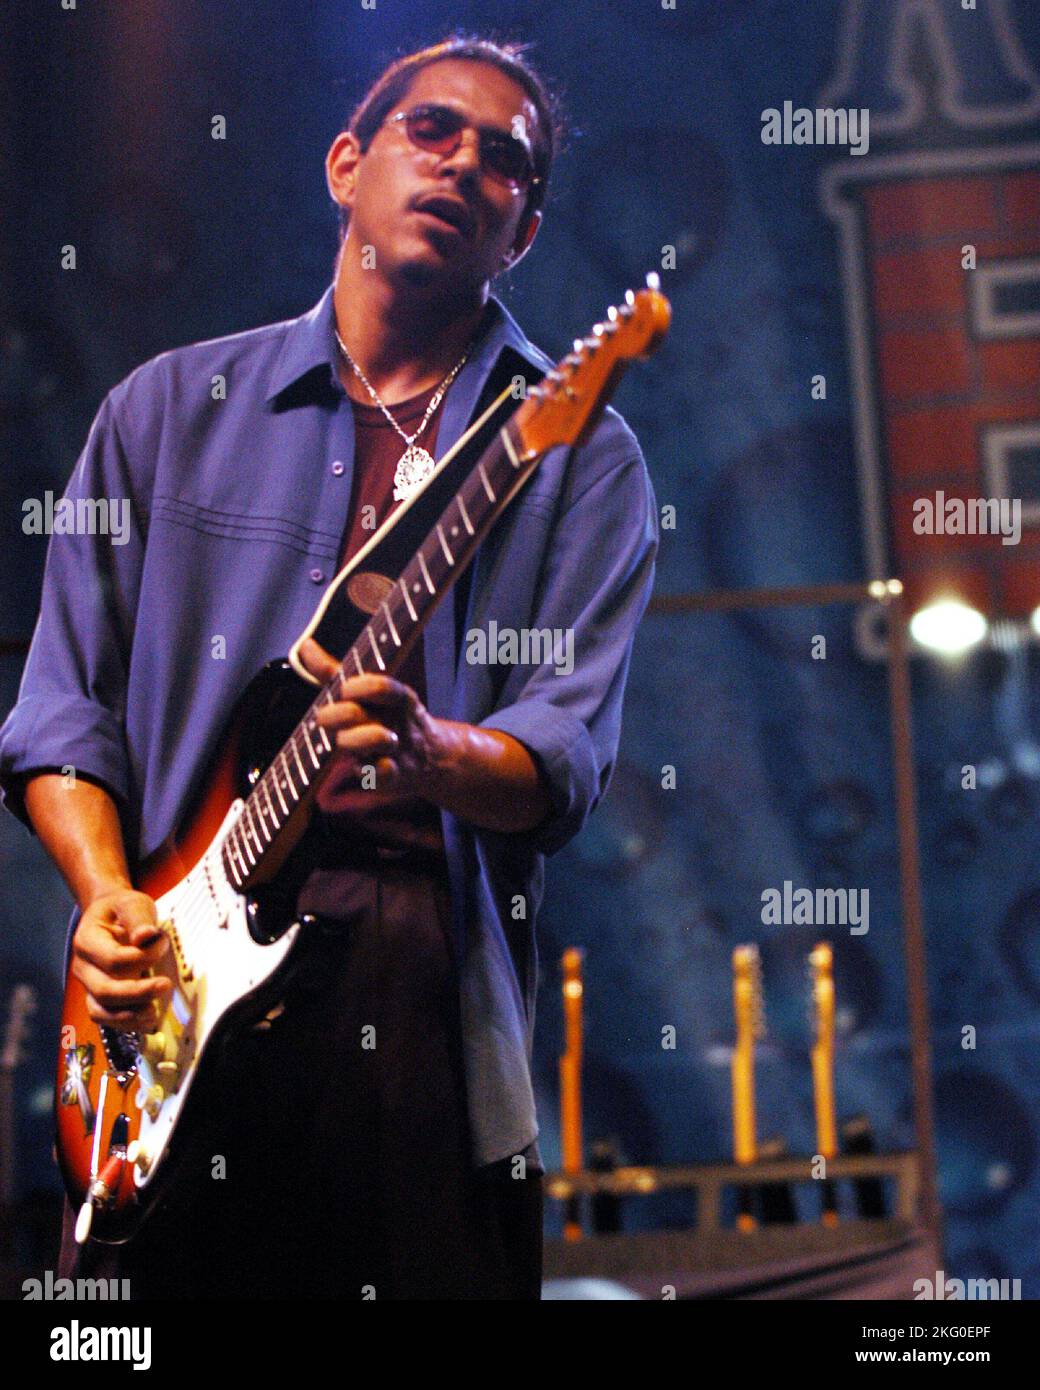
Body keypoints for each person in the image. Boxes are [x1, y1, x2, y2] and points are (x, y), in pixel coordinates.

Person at [0, 35, 658, 1299]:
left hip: (415, 997)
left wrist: (434, 752)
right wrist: (103, 897)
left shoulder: (578, 452)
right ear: (345, 165)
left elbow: (561, 757)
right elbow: (61, 709)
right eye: (432, 130)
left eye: (506, 161)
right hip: (170, 996)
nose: (466, 163)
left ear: (521, 232)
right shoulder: (159, 412)